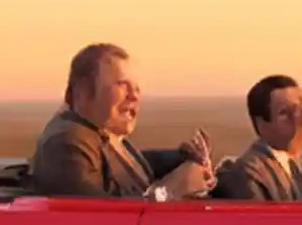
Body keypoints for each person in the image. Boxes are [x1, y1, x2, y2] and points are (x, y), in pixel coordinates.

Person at [30, 43, 214, 200]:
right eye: (122, 85)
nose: (134, 96)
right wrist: (171, 190)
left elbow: (135, 166)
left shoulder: (102, 133)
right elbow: (100, 219)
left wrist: (183, 158)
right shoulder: (66, 143)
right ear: (82, 93)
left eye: (137, 88)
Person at [214, 74, 302, 202]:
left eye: (301, 108)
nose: (298, 118)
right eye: (284, 112)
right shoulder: (249, 174)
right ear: (261, 124)